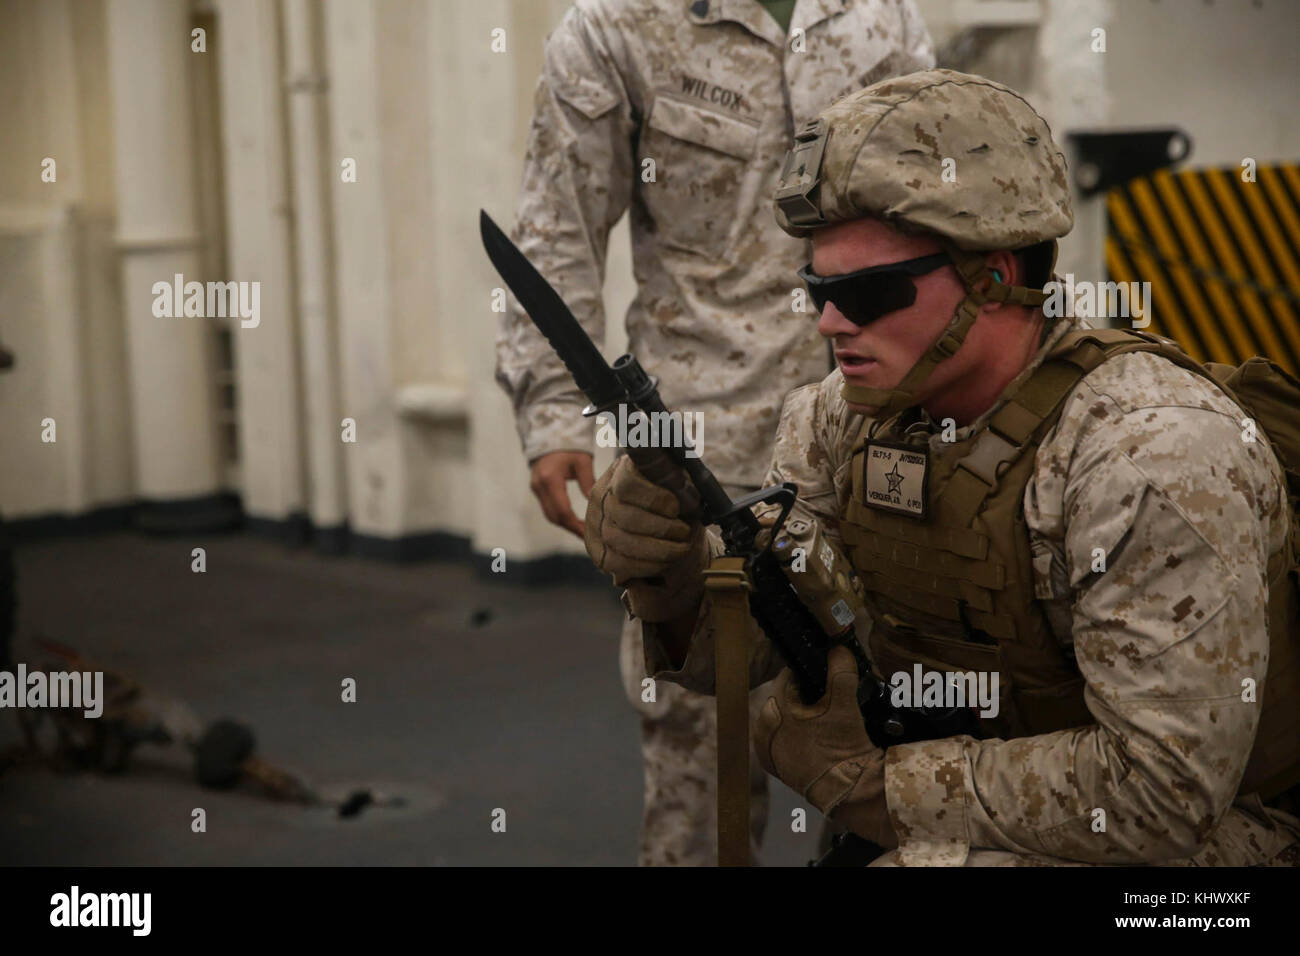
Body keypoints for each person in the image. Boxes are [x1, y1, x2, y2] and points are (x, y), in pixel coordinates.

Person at [585, 68, 1300, 865]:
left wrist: (883, 789)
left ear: (992, 279)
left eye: (868, 291)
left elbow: (1163, 792)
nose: (826, 320)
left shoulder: (1149, 454)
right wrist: (679, 580)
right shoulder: (839, 418)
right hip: (974, 801)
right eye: (818, 286)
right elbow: (781, 631)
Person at [495, 0, 934, 865]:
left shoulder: (879, 19)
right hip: (699, 458)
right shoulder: (617, 25)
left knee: (894, 734)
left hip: (870, 438)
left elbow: (934, 212)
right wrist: (551, 410)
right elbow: (556, 228)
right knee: (697, 764)